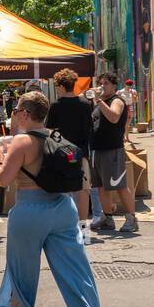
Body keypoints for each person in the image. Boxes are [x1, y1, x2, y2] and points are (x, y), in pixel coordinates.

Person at [0, 90, 108, 307]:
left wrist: (0, 155)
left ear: (24, 113)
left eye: (16, 110)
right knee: (76, 270)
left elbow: (3, 179)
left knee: (22, 272)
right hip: (64, 208)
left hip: (30, 210)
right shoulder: (56, 136)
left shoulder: (21, 142)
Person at [47, 69, 96, 244]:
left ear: (60, 85)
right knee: (82, 190)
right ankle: (84, 230)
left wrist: (61, 145)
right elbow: (89, 129)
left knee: (62, 191)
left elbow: (51, 132)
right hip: (81, 152)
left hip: (62, 153)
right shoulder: (85, 104)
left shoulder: (55, 106)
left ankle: (64, 229)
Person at [88, 73, 139, 233]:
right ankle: (108, 218)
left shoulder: (116, 100)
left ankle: (132, 218)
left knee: (119, 186)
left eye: (106, 84)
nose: (102, 86)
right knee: (101, 187)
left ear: (114, 86)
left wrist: (98, 100)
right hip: (97, 149)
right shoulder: (99, 103)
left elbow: (114, 117)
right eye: (100, 83)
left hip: (112, 150)